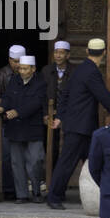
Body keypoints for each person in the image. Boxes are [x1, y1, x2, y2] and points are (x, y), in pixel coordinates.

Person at [46, 37, 110, 209]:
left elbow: (65, 93)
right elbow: (104, 97)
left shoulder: (80, 69)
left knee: (94, 161)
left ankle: (104, 195)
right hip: (80, 127)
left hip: (80, 125)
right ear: (104, 53)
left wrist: (61, 115)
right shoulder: (92, 72)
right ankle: (53, 197)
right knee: (68, 162)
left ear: (87, 51)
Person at [2, 54, 47, 203]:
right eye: (20, 68)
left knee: (35, 161)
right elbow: (8, 98)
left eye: (25, 69)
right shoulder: (14, 80)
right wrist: (2, 107)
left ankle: (36, 192)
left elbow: (35, 103)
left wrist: (18, 112)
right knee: (17, 162)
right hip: (15, 128)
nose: (21, 71)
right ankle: (21, 194)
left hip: (33, 128)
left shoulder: (41, 83)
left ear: (33, 69)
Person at [0, 44, 26, 200]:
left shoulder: (29, 75)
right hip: (5, 121)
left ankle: (24, 190)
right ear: (9, 60)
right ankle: (9, 189)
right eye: (14, 61)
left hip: (24, 120)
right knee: (6, 157)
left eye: (19, 61)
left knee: (26, 157)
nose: (17, 64)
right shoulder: (1, 75)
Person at [41, 39, 75, 180]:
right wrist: (45, 113)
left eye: (61, 53)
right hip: (50, 113)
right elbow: (42, 94)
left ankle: (64, 180)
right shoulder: (46, 70)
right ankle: (50, 178)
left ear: (67, 55)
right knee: (50, 147)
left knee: (67, 147)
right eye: (56, 52)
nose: (58, 56)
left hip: (68, 114)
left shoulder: (74, 71)